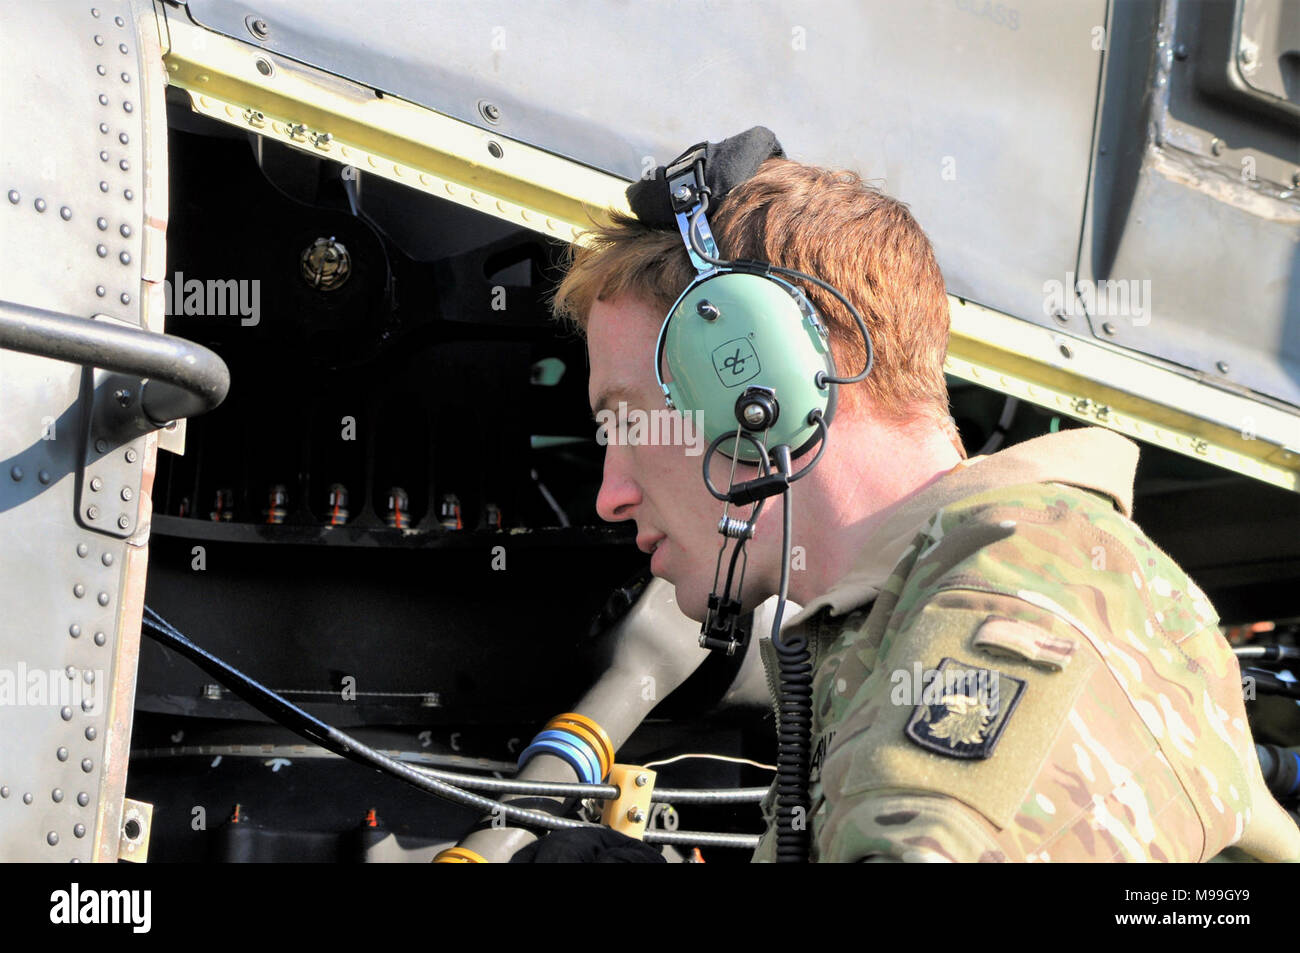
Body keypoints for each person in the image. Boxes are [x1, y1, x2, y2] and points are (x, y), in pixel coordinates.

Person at [550, 130, 1300, 862]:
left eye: (629, 419)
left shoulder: (1015, 618)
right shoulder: (908, 621)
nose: (611, 495)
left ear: (760, 387)